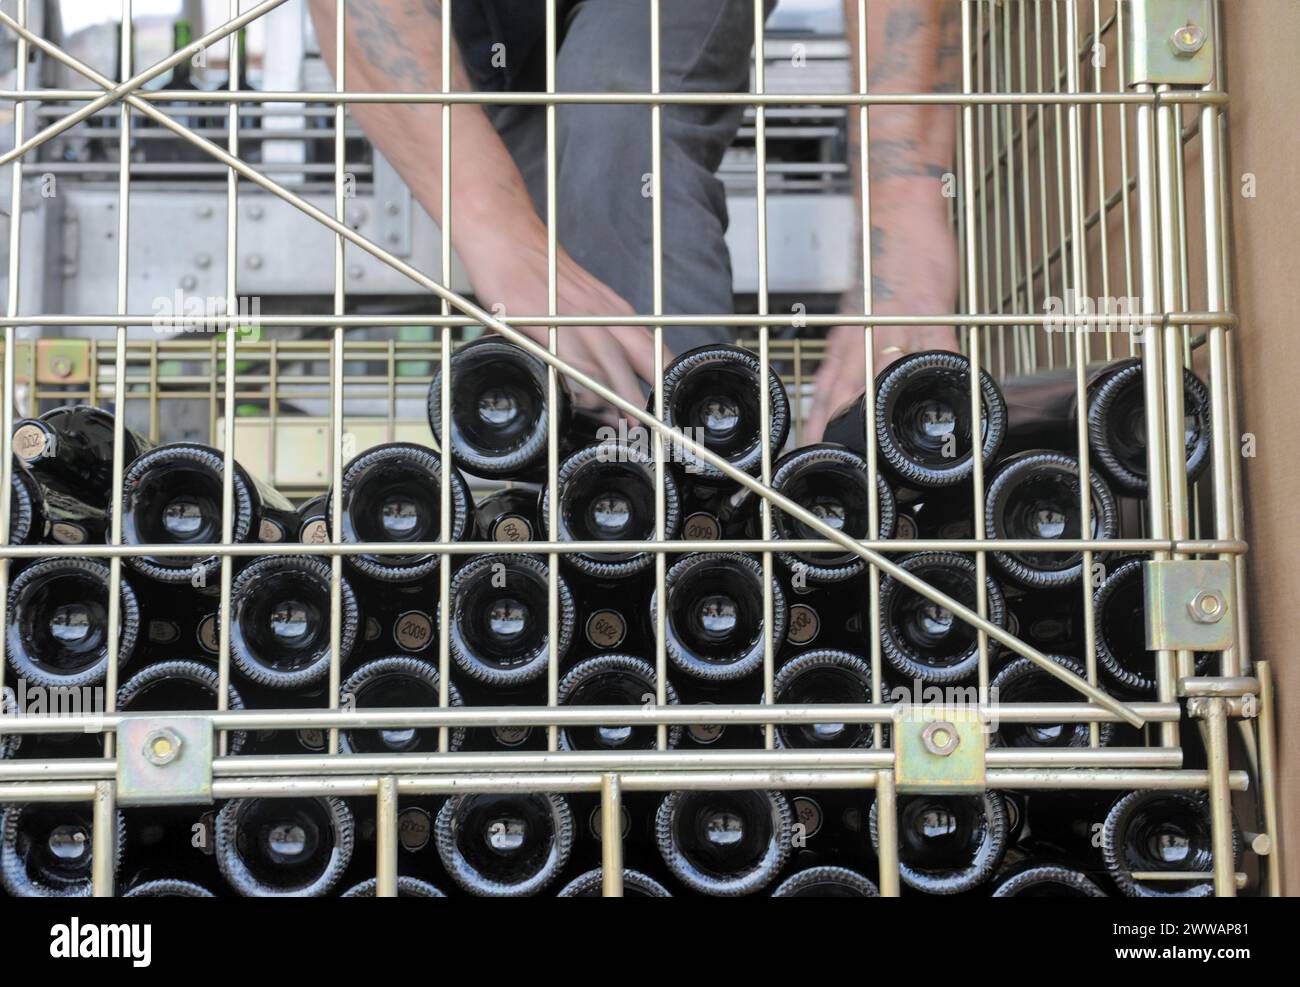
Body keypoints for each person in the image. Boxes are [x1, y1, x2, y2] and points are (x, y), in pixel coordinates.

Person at [308, 0, 959, 436]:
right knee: (550, 318)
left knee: (618, 103)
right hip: (486, 28)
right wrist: (499, 233)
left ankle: (697, 546)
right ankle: (585, 575)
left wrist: (903, 205)